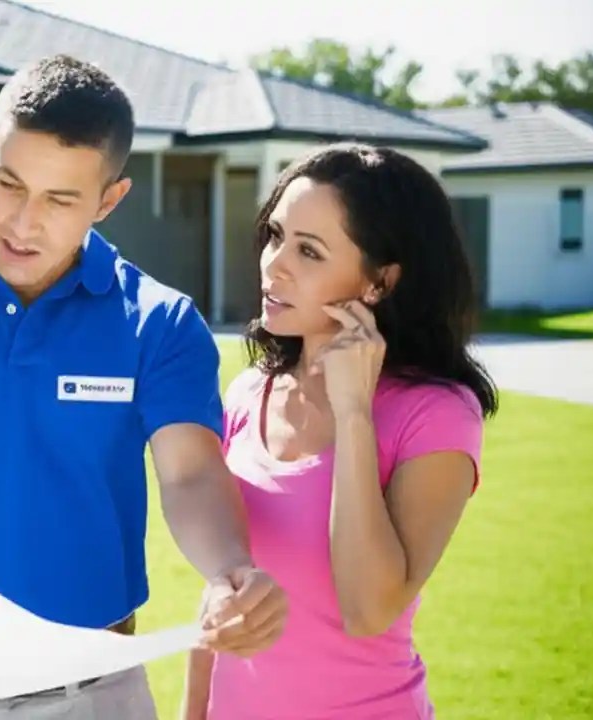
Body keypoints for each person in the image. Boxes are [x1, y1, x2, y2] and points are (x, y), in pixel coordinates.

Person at [0, 54, 288, 719]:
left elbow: (190, 476)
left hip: (93, 697)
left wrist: (231, 569)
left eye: (59, 199)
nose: (22, 221)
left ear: (109, 199)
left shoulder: (158, 322)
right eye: (8, 184)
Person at [180, 143, 500, 720]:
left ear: (378, 282)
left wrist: (354, 412)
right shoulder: (249, 393)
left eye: (308, 251)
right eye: (276, 235)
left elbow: (368, 607)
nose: (273, 264)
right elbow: (222, 601)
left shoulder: (437, 414)